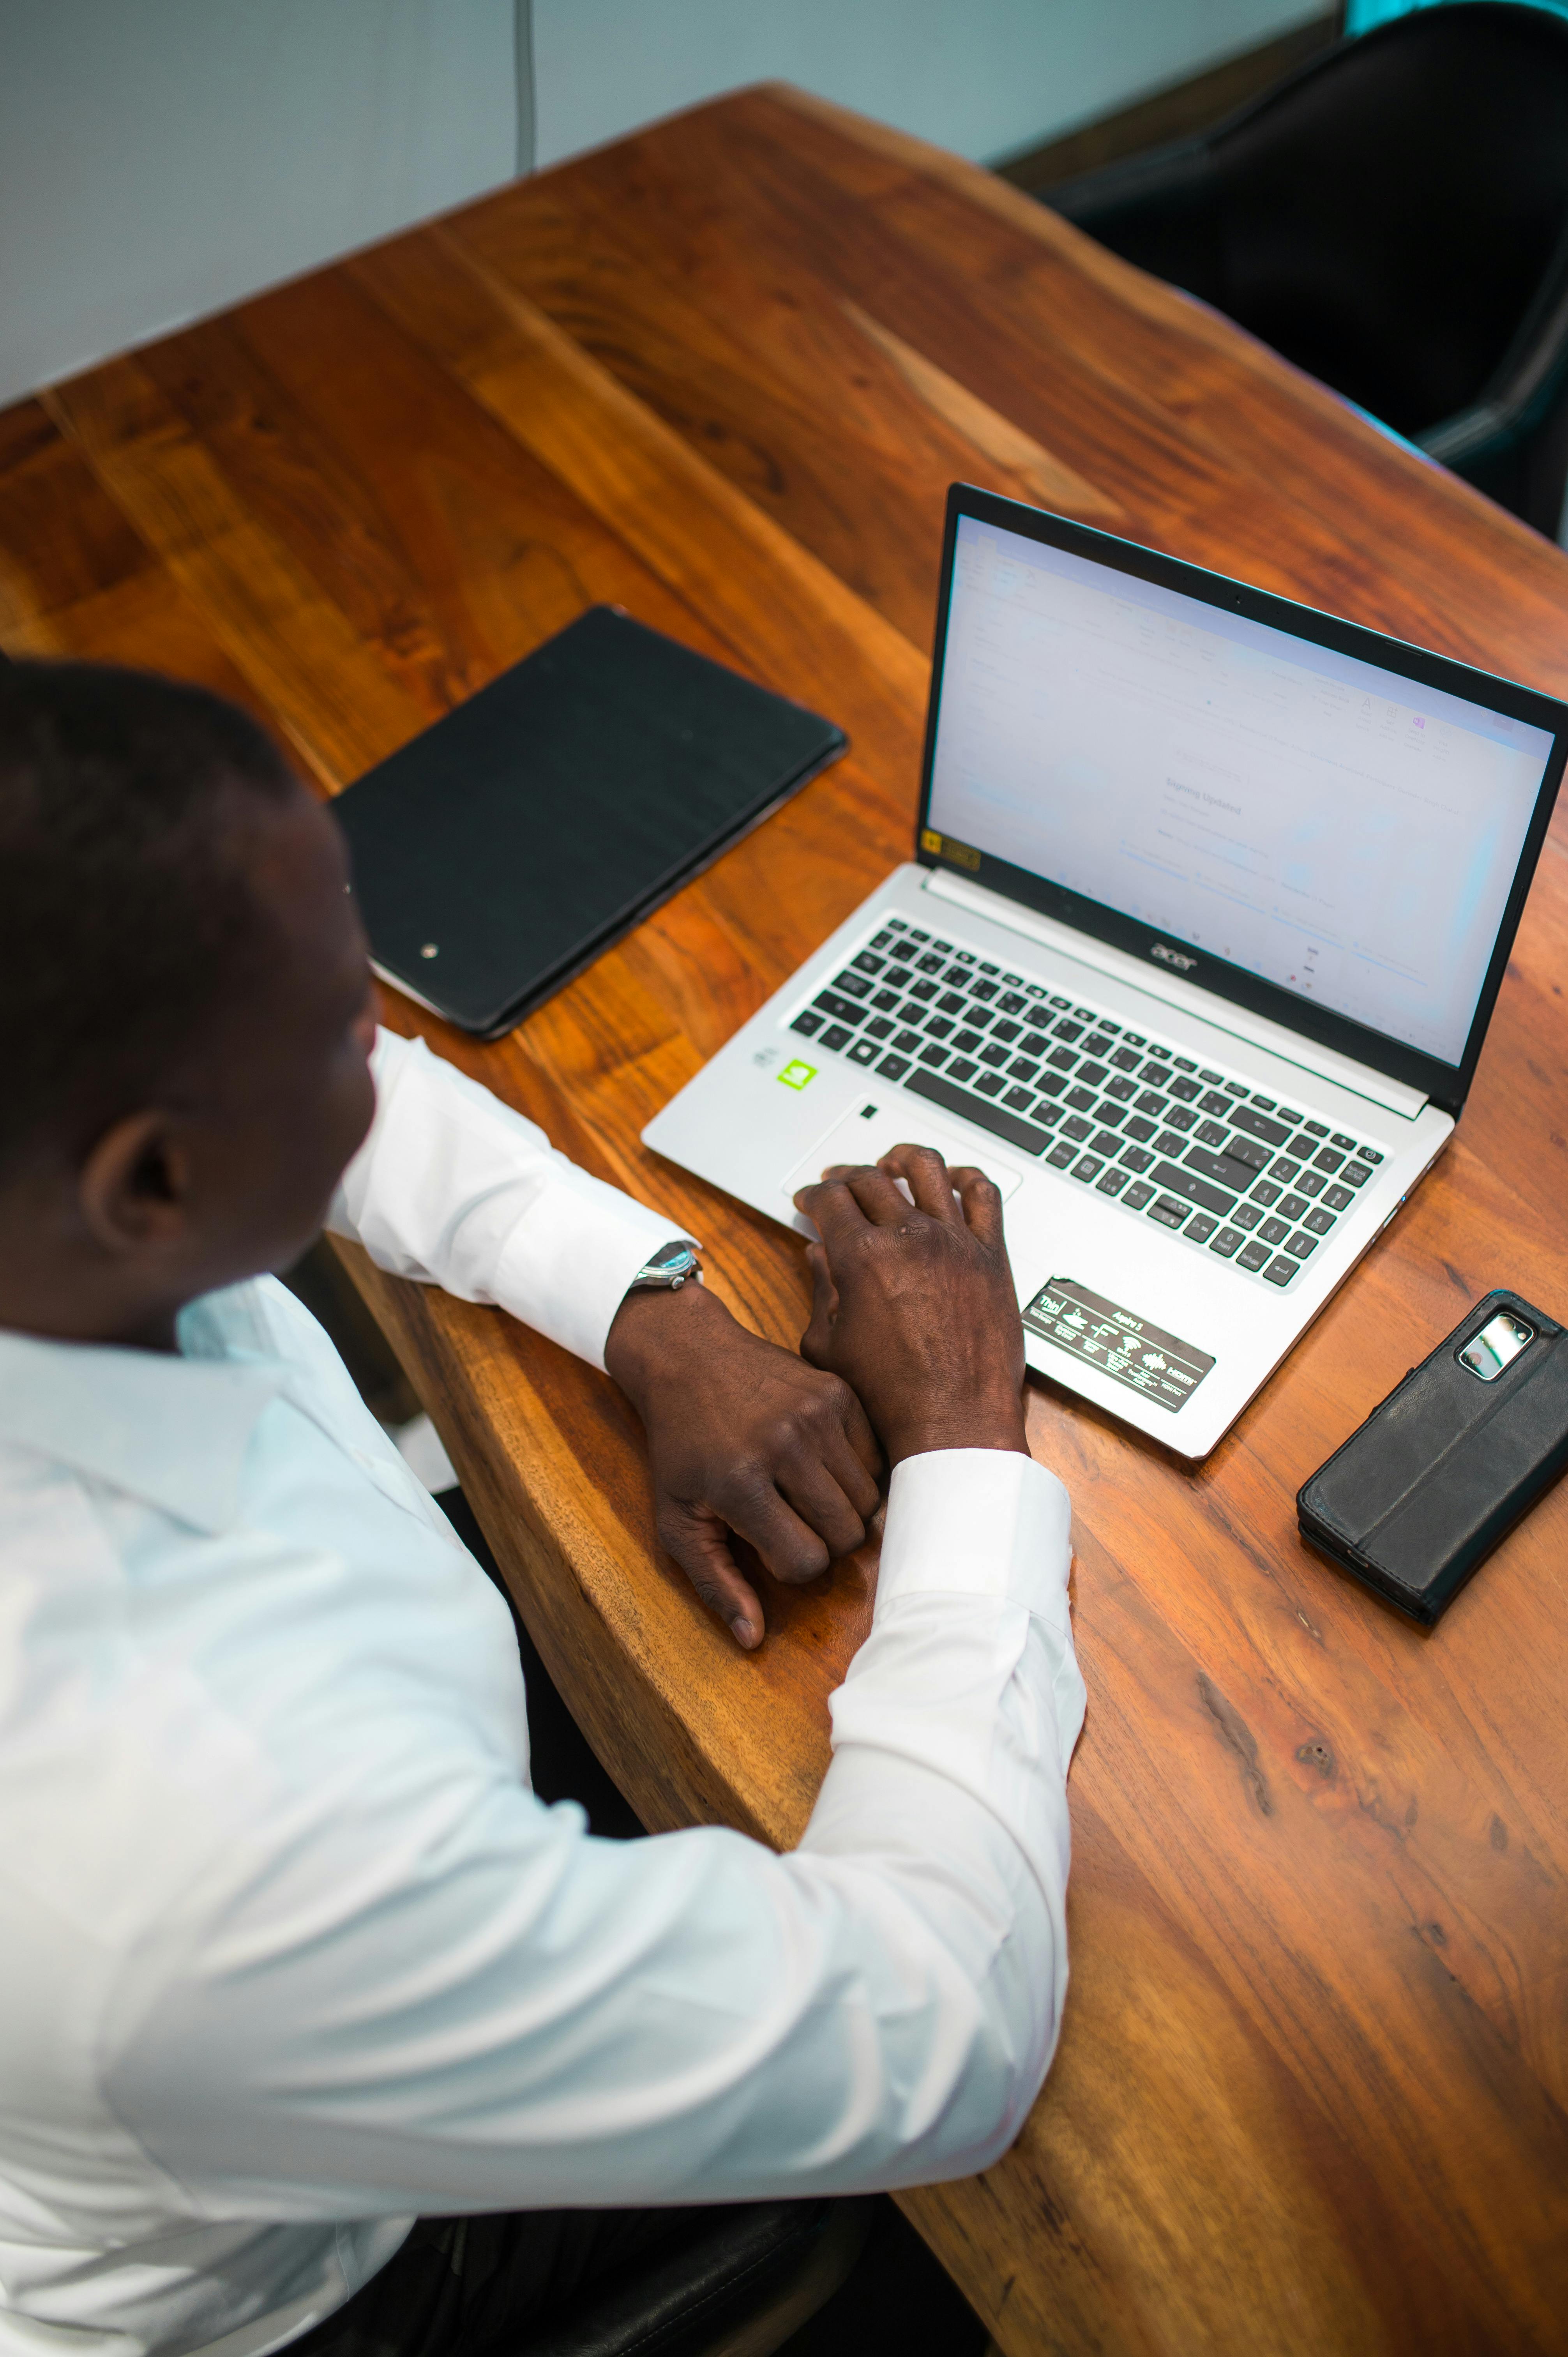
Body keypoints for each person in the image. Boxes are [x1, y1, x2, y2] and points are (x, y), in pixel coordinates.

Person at [0, 661, 1085, 2357]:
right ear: (153, 1184)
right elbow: (941, 2032)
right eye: (337, 1017)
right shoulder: (219, 1836)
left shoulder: (59, 1176)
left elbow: (273, 1097)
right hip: (317, 2272)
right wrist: (961, 1445)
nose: (385, 1033)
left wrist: (649, 1316)